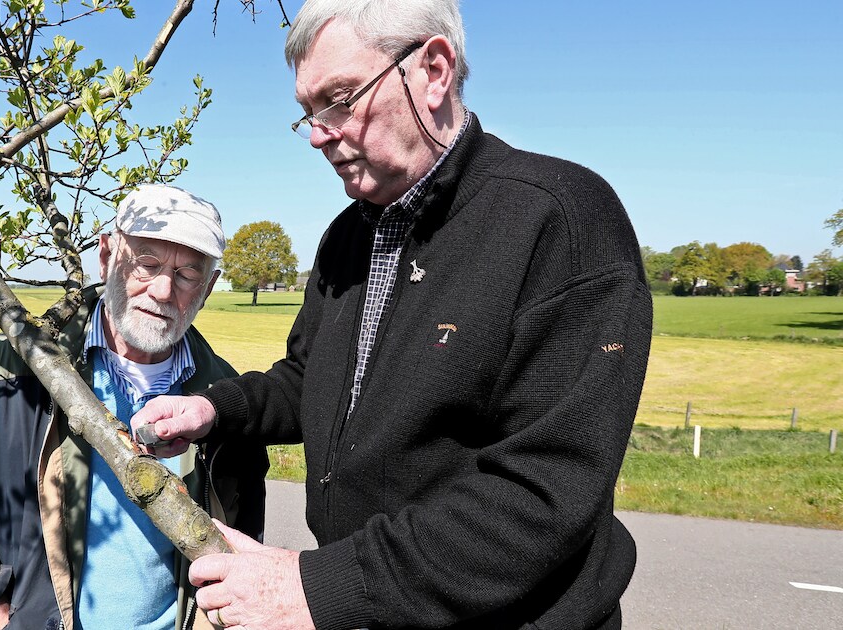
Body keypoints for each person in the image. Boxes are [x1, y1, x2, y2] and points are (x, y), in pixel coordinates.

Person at [131, 1, 652, 629]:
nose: (320, 134)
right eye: (307, 114)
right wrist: (218, 409)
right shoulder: (347, 238)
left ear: (433, 70)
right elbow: (311, 382)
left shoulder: (559, 219)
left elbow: (543, 492)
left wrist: (314, 586)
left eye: (341, 99)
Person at [0, 184, 269, 630]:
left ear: (208, 288)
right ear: (107, 255)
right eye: (147, 264)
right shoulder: (19, 366)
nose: (162, 290)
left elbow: (244, 522)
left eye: (188, 275)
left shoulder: (224, 396)